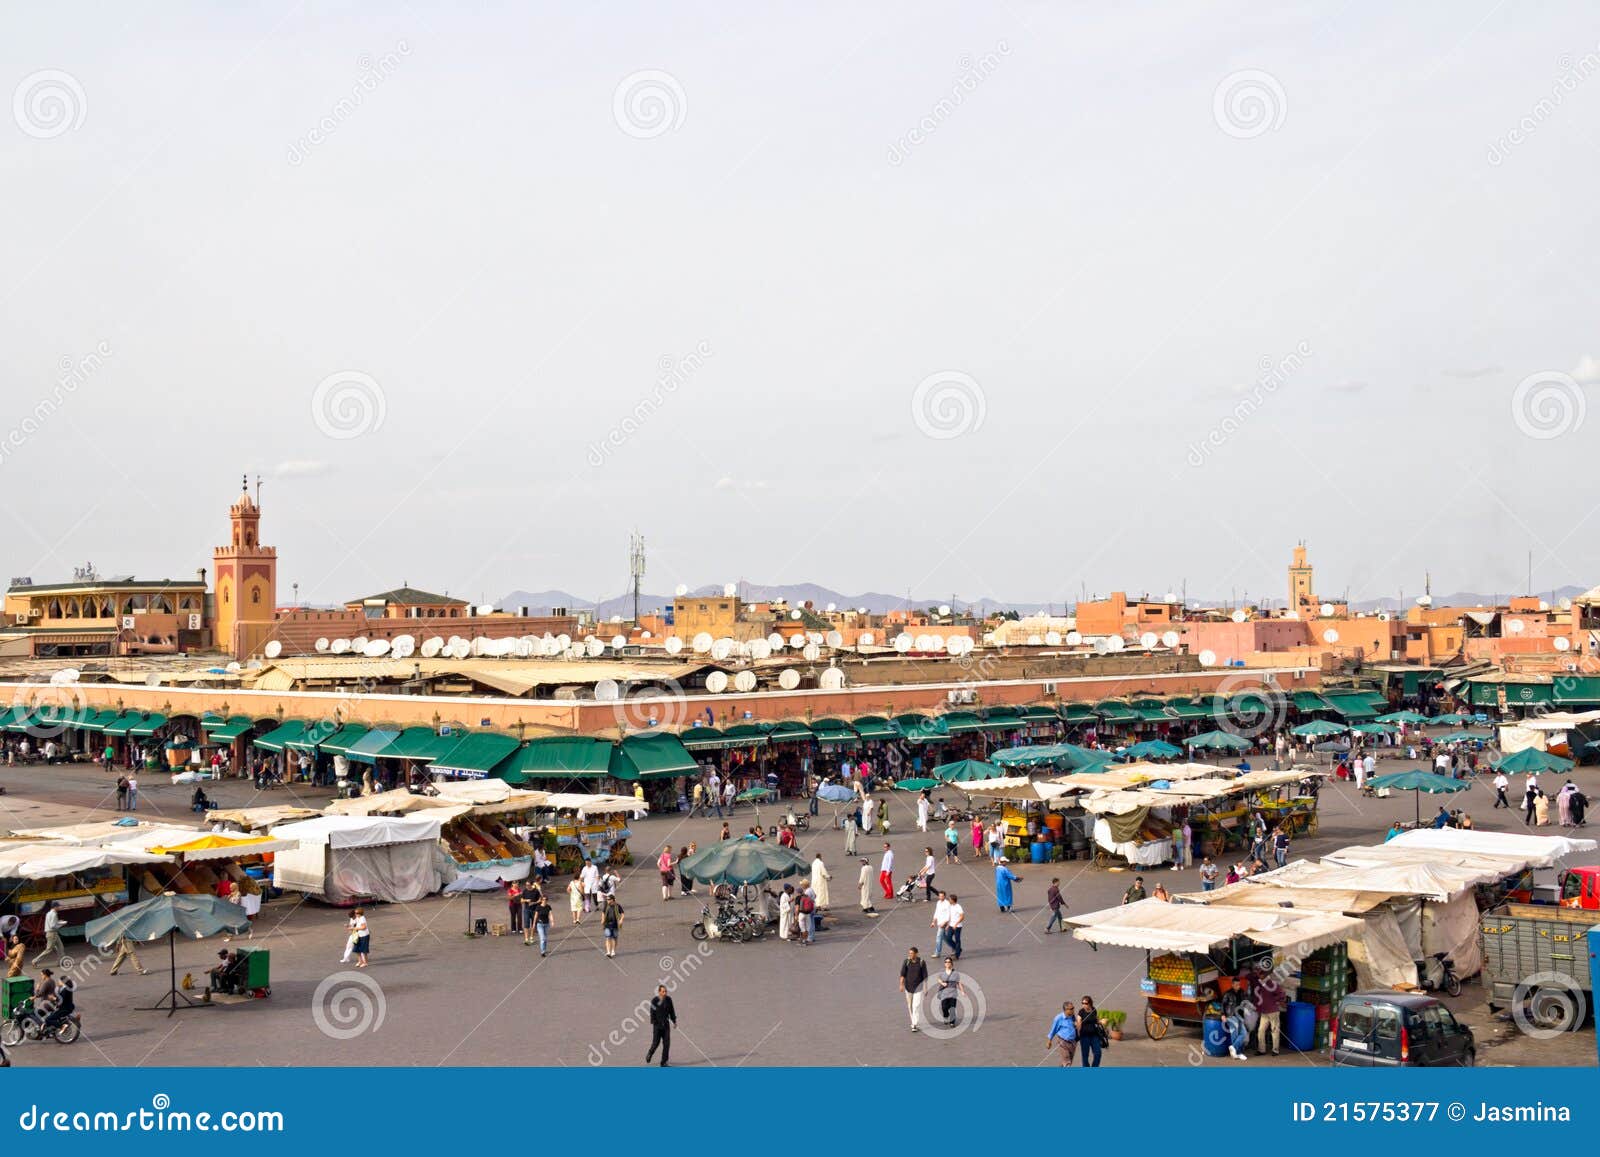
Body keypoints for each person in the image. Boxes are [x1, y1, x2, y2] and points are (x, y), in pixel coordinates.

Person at [1254, 969, 1285, 1056]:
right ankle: (1261, 1050)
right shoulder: (1260, 984)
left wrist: (1274, 1000)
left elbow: (1282, 994)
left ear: (1264, 975)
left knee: (1274, 1030)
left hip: (1273, 1011)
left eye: (1259, 975)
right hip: (1264, 1011)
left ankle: (1275, 1050)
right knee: (1261, 1030)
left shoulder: (1272, 983)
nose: (1258, 977)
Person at [899, 946, 929, 1032]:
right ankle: (913, 1022)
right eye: (909, 953)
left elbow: (925, 976)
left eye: (912, 953)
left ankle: (914, 1024)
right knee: (910, 1006)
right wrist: (901, 984)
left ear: (916, 953)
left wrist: (925, 987)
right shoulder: (906, 962)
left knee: (916, 1005)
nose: (910, 955)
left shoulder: (922, 962)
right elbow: (902, 974)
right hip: (908, 987)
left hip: (918, 988)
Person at [645, 984, 676, 1066]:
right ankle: (650, 1053)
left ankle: (664, 1062)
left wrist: (674, 1021)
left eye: (666, 991)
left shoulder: (669, 1000)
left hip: (666, 1026)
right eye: (663, 991)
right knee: (656, 1043)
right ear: (659, 992)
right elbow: (652, 1012)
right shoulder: (654, 1001)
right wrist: (654, 1022)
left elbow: (672, 1011)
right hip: (657, 1027)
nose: (665, 993)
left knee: (667, 1044)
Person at [934, 956, 964, 1026]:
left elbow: (959, 983)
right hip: (944, 993)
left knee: (952, 1008)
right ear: (944, 964)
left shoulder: (956, 973)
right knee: (944, 1008)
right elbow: (938, 979)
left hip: (953, 993)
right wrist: (942, 983)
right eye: (946, 962)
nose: (947, 963)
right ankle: (946, 1016)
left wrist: (962, 991)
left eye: (949, 962)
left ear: (951, 963)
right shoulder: (942, 972)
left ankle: (952, 1022)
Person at [1046, 1000, 1078, 1065]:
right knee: (1067, 1063)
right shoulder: (1058, 1018)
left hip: (1072, 1042)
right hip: (1063, 1042)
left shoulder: (1073, 1017)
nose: (1073, 1010)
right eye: (1071, 1009)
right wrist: (1049, 1041)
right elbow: (1053, 1030)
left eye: (1073, 1008)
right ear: (1065, 1010)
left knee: (1067, 1062)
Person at [1075, 996, 1104, 1067]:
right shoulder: (1081, 1011)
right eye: (1083, 1003)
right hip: (1084, 1037)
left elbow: (1096, 1020)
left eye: (1086, 1003)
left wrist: (1101, 1021)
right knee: (1085, 1056)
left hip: (1094, 1036)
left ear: (1090, 1003)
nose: (1084, 1005)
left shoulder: (1094, 1010)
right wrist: (1078, 1033)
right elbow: (1078, 1021)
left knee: (1098, 1053)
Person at [946, 894, 965, 959]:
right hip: (951, 925)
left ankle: (957, 955)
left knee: (957, 940)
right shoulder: (950, 906)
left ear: (953, 900)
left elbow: (962, 917)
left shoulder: (958, 907)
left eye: (949, 899)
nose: (949, 900)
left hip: (958, 926)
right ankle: (958, 949)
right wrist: (948, 924)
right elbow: (950, 916)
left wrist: (956, 924)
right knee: (948, 938)